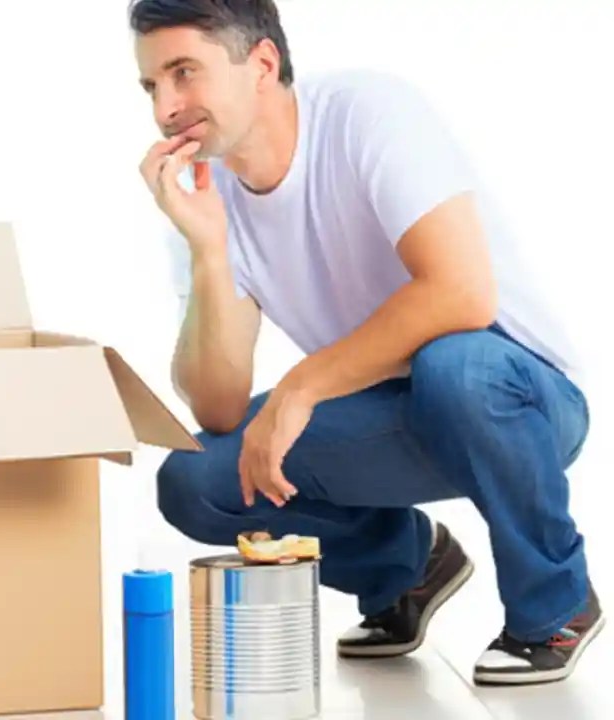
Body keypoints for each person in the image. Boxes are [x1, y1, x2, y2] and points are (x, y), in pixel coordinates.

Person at [130, 0, 602, 686]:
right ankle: (406, 569)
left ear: (261, 63)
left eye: (183, 73)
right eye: (151, 85)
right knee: (195, 480)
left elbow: (461, 295)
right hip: (387, 411)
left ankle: (555, 607)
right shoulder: (206, 197)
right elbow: (219, 407)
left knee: (454, 367)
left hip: (517, 395)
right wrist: (208, 250)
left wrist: (301, 386)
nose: (164, 108)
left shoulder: (367, 113)